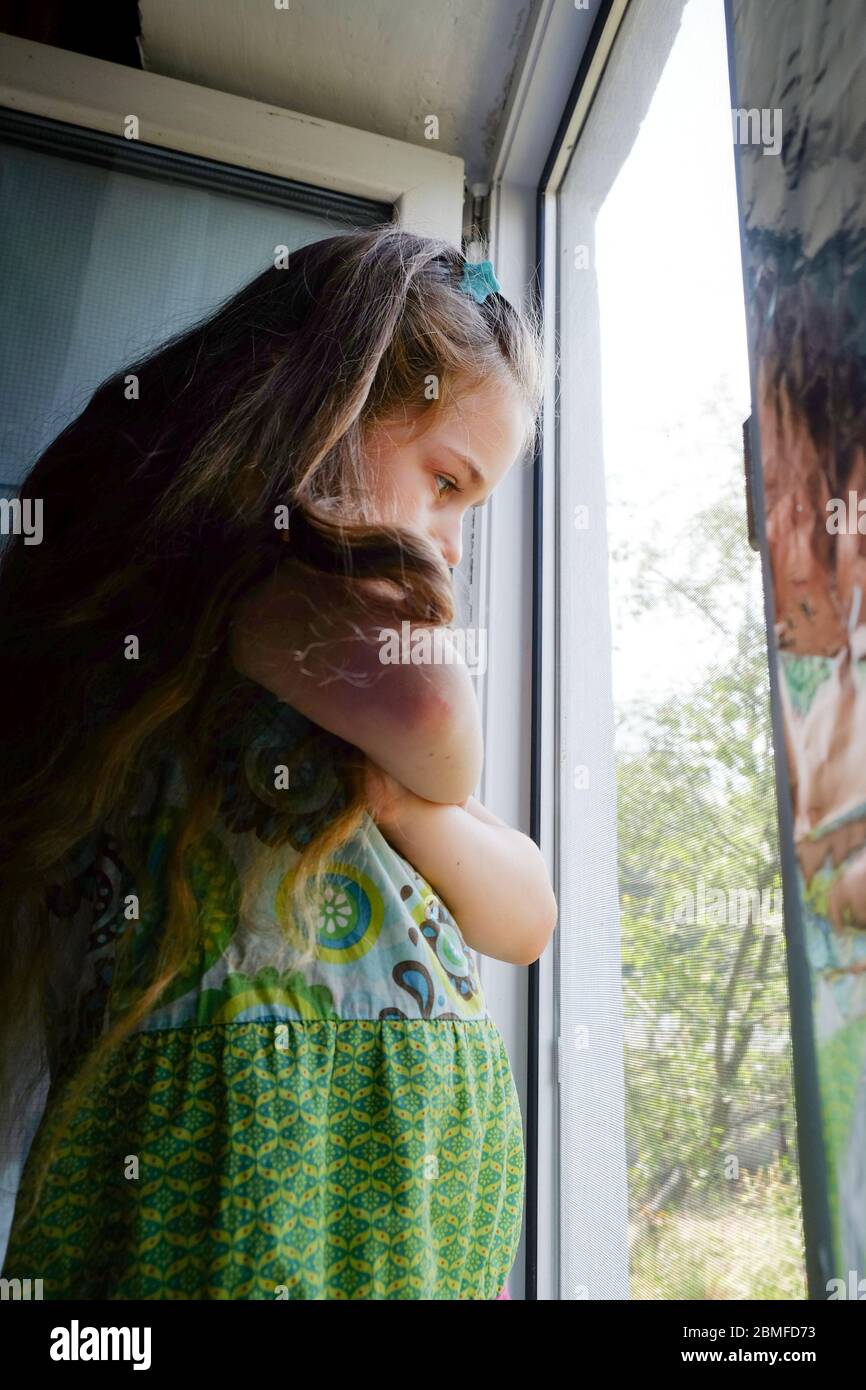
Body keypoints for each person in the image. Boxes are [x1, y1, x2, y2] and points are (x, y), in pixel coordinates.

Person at [0, 224, 556, 1299]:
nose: (446, 547)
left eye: (469, 516)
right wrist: (421, 782)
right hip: (256, 1164)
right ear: (332, 405)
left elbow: (526, 911)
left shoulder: (342, 700)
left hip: (382, 1192)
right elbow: (440, 713)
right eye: (444, 483)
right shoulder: (236, 592)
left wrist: (405, 802)